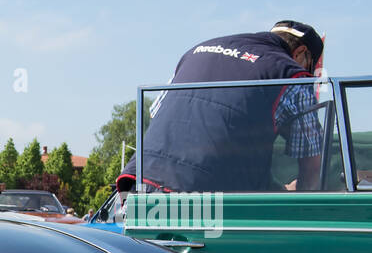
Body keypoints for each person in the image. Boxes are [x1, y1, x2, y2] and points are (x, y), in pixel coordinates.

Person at [118, 20, 325, 193]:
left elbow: (158, 113)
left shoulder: (197, 50)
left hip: (135, 183)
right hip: (204, 201)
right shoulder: (292, 73)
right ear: (300, 53)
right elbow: (312, 166)